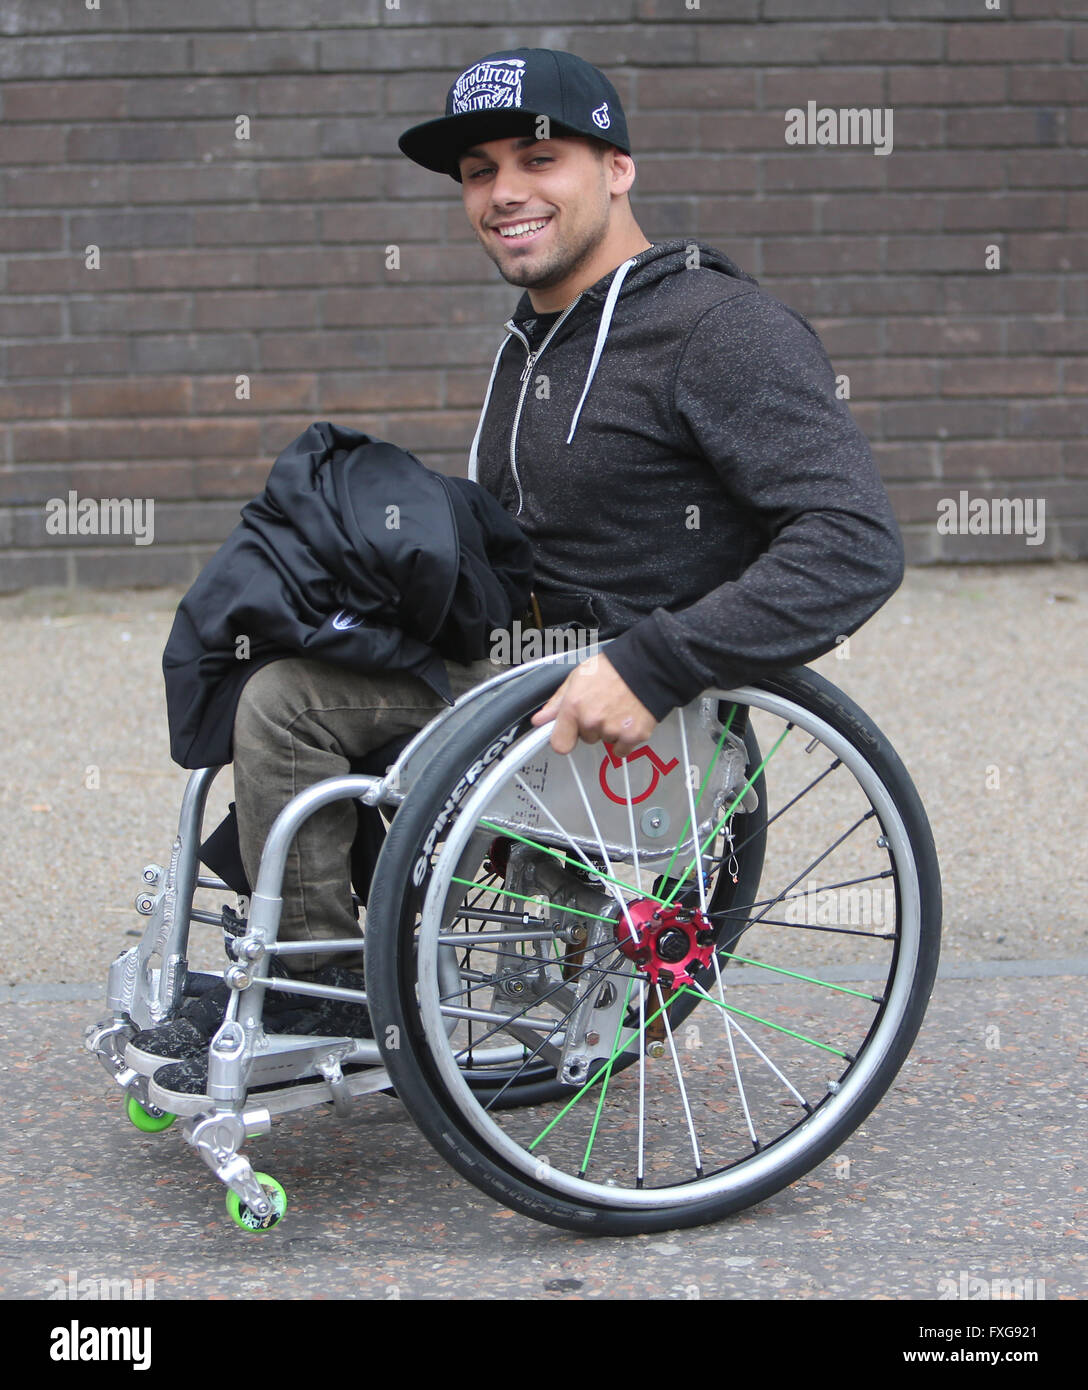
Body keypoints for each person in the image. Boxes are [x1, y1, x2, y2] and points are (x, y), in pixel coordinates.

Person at [142, 47, 904, 1089]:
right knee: (270, 663)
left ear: (616, 167)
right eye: (478, 171)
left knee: (289, 708)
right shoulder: (539, 331)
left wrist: (656, 662)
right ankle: (317, 979)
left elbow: (852, 543)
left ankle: (316, 995)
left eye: (537, 158)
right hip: (510, 670)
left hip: (619, 720)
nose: (504, 192)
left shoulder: (717, 332)